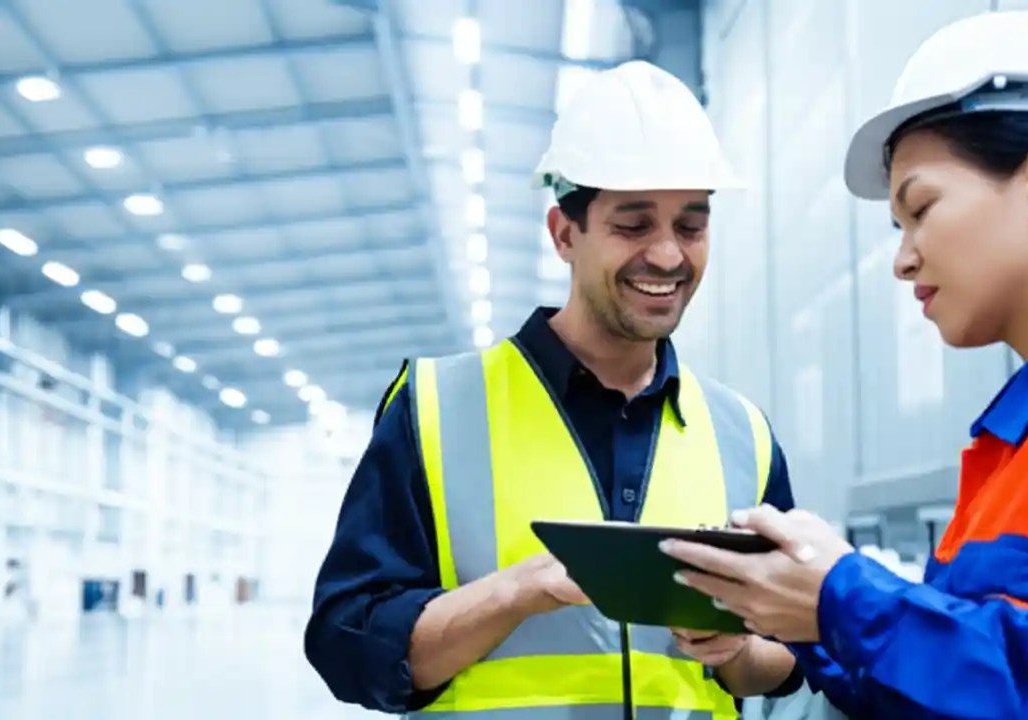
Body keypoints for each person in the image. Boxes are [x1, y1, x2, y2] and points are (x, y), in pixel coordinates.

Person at [657, 9, 1028, 719]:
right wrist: (799, 615)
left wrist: (847, 601)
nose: (902, 258)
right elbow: (973, 686)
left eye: (919, 208)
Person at [304, 59, 802, 719]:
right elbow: (349, 647)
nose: (668, 254)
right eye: (633, 224)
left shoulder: (743, 433)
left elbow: (795, 647)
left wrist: (736, 655)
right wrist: (520, 590)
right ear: (564, 233)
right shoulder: (435, 408)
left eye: (690, 224)